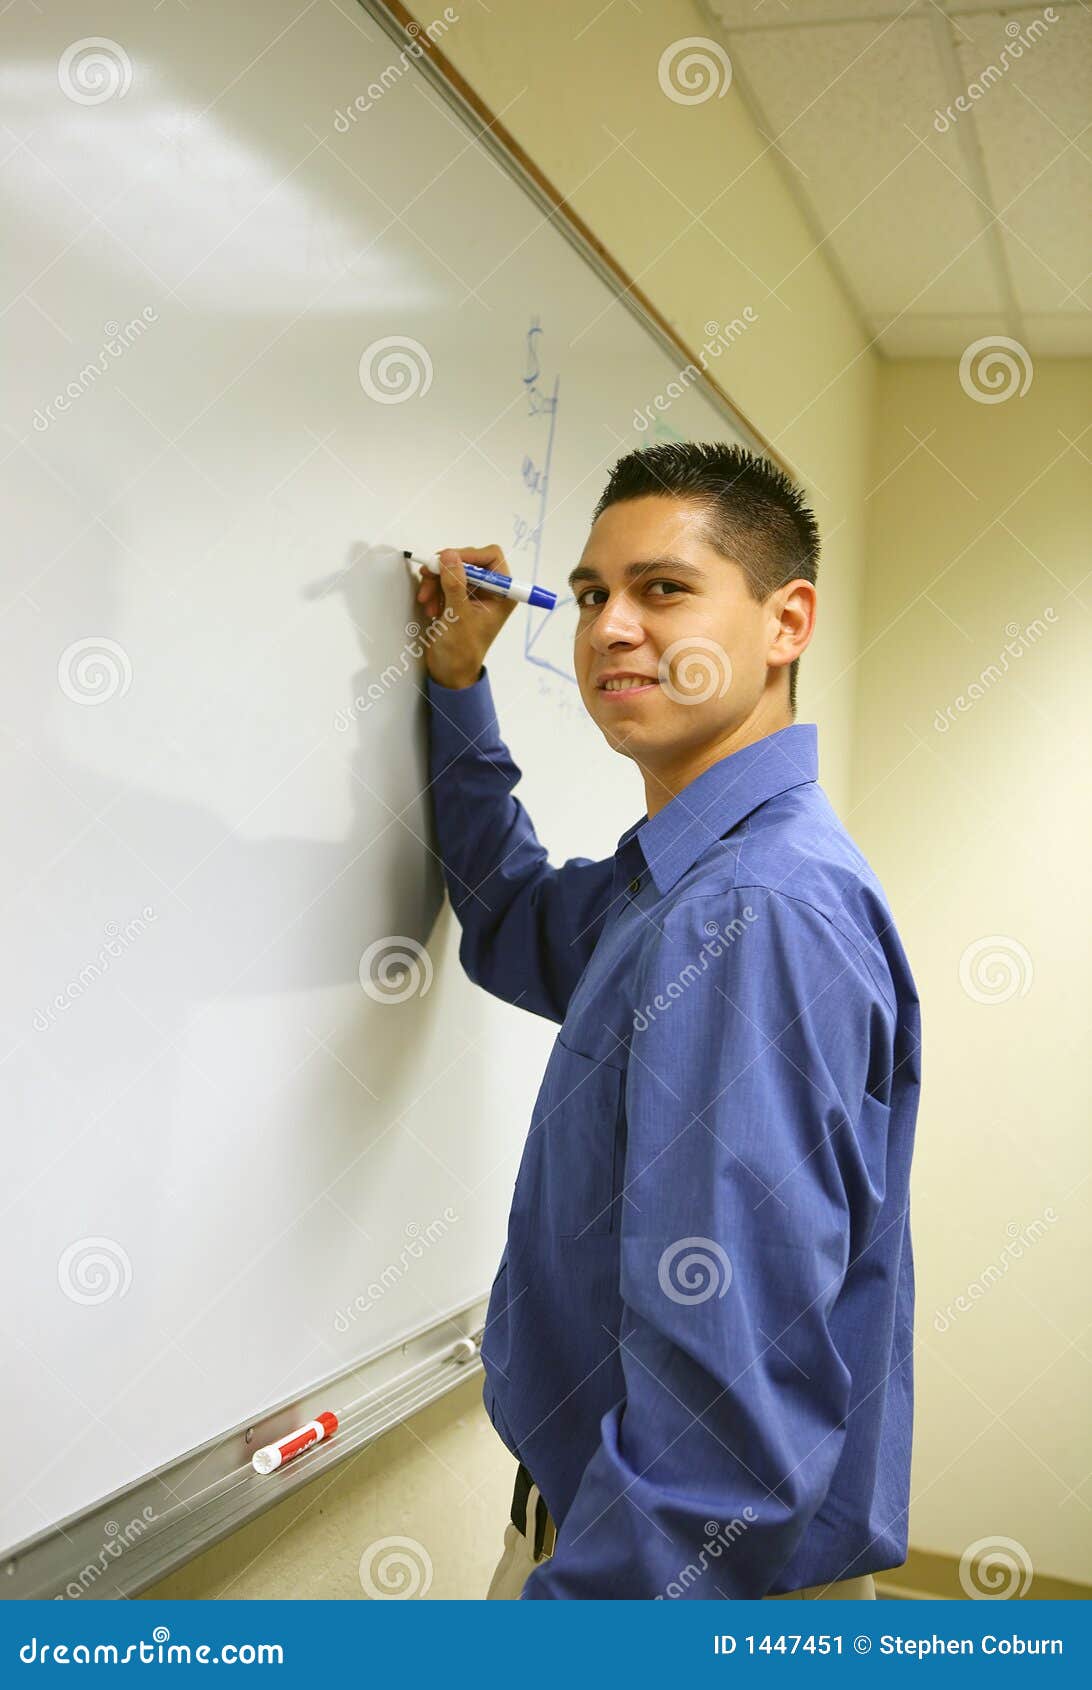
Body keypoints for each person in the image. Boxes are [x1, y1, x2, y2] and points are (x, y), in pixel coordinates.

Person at [415, 442, 920, 1600]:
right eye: (593, 593)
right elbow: (515, 920)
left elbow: (720, 1441)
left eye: (664, 589)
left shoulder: (751, 910)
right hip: (617, 1536)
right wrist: (457, 681)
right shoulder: (689, 879)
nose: (611, 627)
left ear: (787, 622)